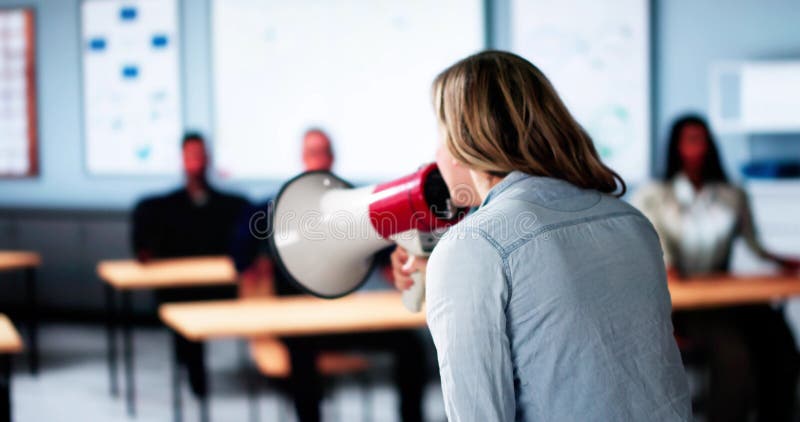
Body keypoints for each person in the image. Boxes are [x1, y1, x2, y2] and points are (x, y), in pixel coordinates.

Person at [391, 51, 691, 421]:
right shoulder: (630, 220)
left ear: (462, 142)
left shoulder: (473, 247)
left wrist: (452, 264)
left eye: (440, 134)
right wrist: (444, 269)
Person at [232, 128, 426, 422]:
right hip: (301, 323)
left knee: (410, 346)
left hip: (348, 317)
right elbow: (239, 250)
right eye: (313, 153)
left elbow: (382, 250)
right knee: (301, 354)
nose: (319, 159)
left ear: (333, 157)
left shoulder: (354, 205)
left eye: (324, 152)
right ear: (302, 158)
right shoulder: (276, 207)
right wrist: (256, 256)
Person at [632, 114, 800, 422]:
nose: (700, 147)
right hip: (683, 304)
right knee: (733, 353)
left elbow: (755, 246)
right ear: (676, 146)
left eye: (704, 138)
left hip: (722, 295)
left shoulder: (731, 194)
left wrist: (783, 262)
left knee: (780, 341)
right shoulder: (654, 196)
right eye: (691, 139)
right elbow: (656, 249)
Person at [132, 132, 249, 400]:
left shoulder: (227, 205)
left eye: (200, 155)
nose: (196, 161)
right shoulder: (165, 208)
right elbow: (146, 239)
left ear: (208, 158)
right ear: (182, 160)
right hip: (182, 289)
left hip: (217, 286)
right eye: (190, 155)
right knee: (185, 311)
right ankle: (193, 369)